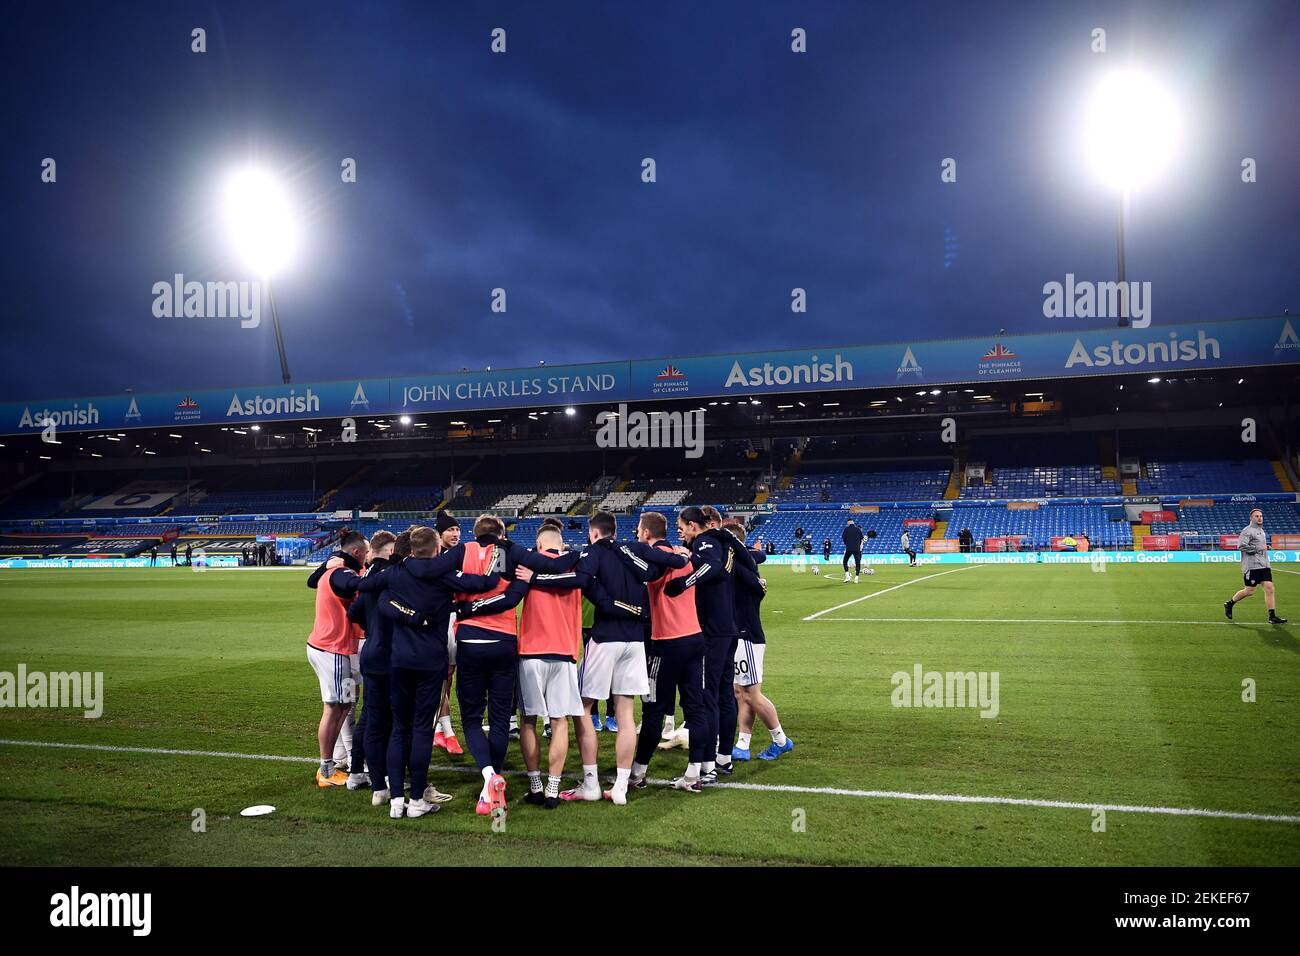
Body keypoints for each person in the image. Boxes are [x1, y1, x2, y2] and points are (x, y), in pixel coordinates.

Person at [359, 524, 504, 818]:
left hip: (399, 662)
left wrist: (404, 612)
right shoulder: (444, 578)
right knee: (422, 729)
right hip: (431, 663)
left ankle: (396, 801)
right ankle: (417, 801)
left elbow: (367, 590)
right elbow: (483, 584)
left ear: (412, 550)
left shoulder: (395, 574)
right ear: (437, 550)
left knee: (400, 729)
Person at [630, 510, 710, 791]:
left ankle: (638, 773)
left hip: (666, 644)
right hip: (694, 639)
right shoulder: (681, 552)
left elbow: (644, 573)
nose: (637, 535)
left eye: (639, 531)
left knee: (653, 710)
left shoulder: (657, 558)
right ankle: (693, 775)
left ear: (647, 533)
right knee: (695, 708)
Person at [724, 519, 793, 762]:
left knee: (751, 694)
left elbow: (756, 560)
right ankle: (743, 744)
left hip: (747, 635)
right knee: (740, 692)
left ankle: (781, 740)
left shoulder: (742, 566)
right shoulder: (742, 563)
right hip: (739, 634)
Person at [304, 530, 369, 788]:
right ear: (356, 553)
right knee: (335, 708)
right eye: (366, 552)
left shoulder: (337, 569)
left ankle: (339, 760)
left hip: (329, 647)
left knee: (344, 705)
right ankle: (327, 770)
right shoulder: (341, 573)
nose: (368, 556)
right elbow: (355, 587)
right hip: (332, 649)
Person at [432, 510, 465, 755]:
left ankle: (441, 729)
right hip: (438, 620)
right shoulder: (433, 555)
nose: (455, 534)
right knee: (438, 676)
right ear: (440, 533)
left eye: (457, 530)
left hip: (457, 619)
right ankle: (445, 731)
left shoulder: (462, 554)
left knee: (448, 676)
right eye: (450, 530)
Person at [1225, 509, 1287, 625]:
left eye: (1261, 516)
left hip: (1264, 565)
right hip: (1252, 566)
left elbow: (1259, 546)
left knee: (1269, 588)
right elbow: (1241, 546)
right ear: (1251, 518)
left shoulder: (1261, 531)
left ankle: (1272, 616)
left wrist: (1265, 547)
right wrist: (1259, 548)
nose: (1259, 518)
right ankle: (1230, 603)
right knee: (1249, 591)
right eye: (1256, 516)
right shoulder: (1247, 531)